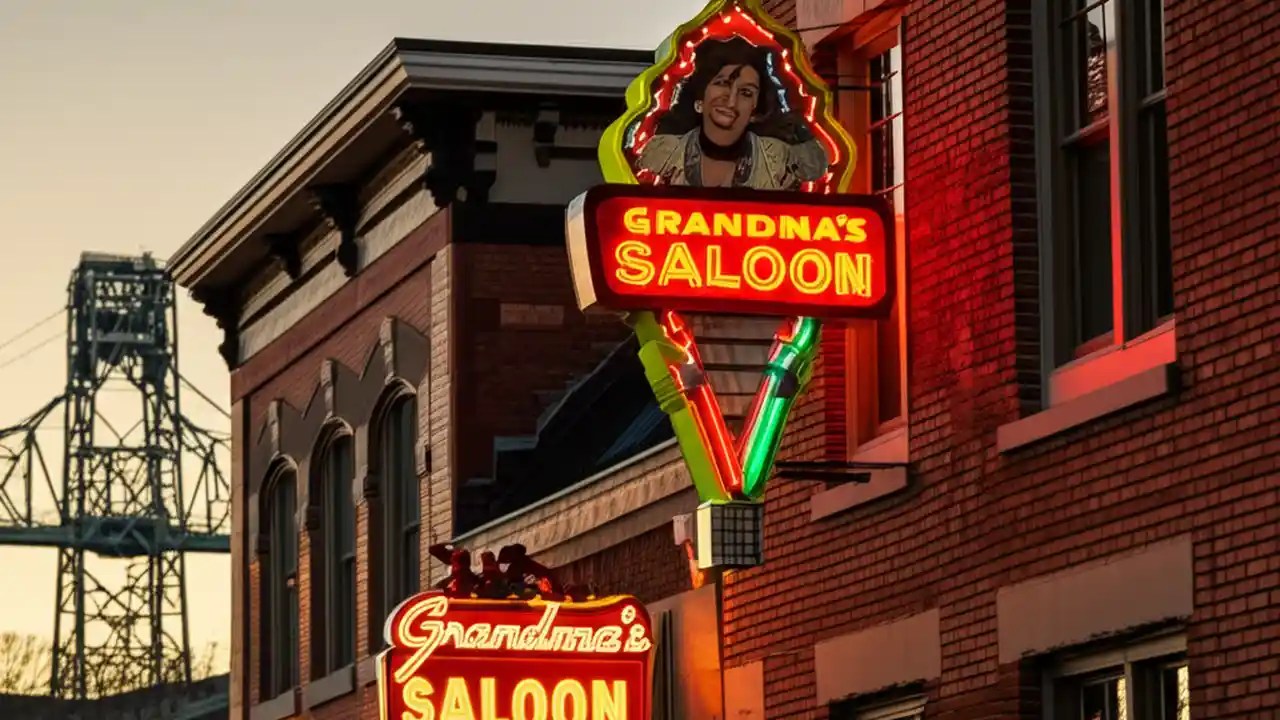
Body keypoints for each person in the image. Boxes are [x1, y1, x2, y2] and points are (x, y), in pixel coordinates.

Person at [635, 36, 829, 190]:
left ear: (756, 108)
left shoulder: (776, 157)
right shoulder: (662, 153)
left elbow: (817, 169)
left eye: (746, 92)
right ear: (700, 97)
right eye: (722, 84)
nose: (731, 100)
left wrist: (798, 123)